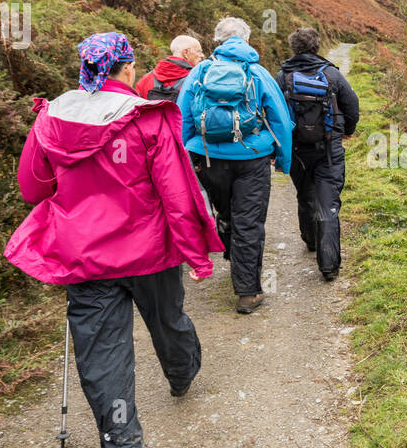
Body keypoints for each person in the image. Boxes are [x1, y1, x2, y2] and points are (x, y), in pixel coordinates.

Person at [5, 31, 224, 448]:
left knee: (102, 358)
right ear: (126, 69)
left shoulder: (53, 119)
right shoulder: (147, 118)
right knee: (168, 319)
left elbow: (32, 188)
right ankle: (182, 373)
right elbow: (178, 194)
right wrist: (197, 254)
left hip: (84, 258)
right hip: (148, 251)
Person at [178, 16, 293, 314]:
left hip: (208, 158)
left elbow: (183, 116)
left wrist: (187, 153)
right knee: (250, 220)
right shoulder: (257, 71)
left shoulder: (200, 71)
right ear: (246, 40)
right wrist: (283, 160)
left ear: (218, 41)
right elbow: (279, 118)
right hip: (252, 158)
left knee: (225, 211)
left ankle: (229, 242)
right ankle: (247, 292)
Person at [278, 27, 359, 280]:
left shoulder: (282, 76)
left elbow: (273, 111)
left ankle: (310, 240)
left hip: (296, 149)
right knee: (328, 203)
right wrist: (347, 129)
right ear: (317, 46)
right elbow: (352, 105)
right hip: (329, 148)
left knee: (305, 195)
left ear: (293, 48)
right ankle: (329, 265)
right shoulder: (331, 74)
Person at [135, 34, 205, 101]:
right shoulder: (196, 80)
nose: (202, 56)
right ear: (185, 53)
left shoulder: (145, 79)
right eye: (199, 52)